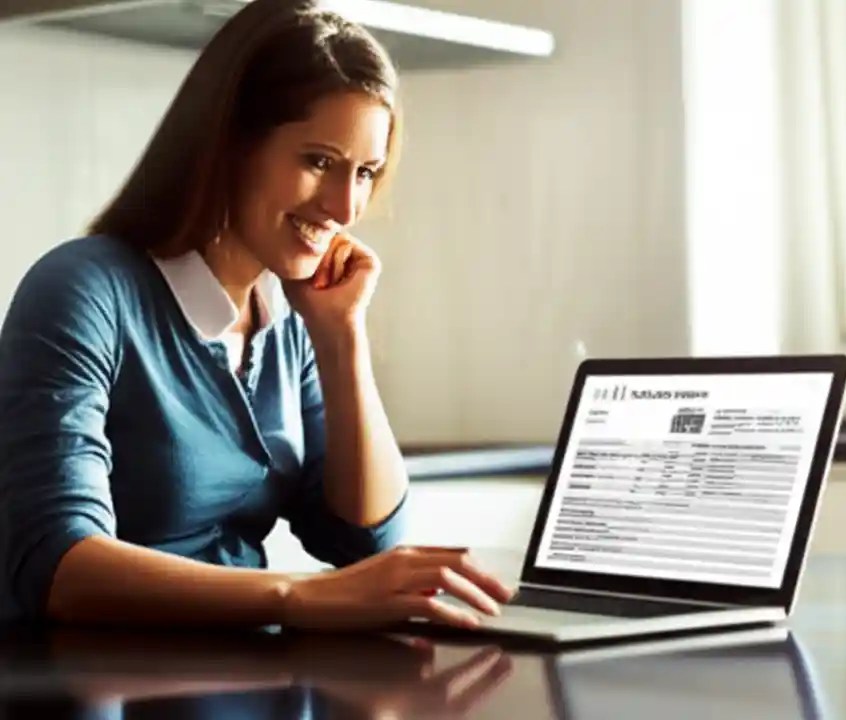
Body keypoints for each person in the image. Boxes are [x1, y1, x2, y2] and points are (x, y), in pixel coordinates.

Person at [0, 0, 511, 628]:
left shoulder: (287, 321)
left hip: (243, 668)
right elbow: (55, 565)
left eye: (365, 173)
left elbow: (367, 540)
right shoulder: (84, 290)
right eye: (319, 162)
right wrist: (294, 596)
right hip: (91, 675)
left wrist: (341, 337)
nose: (345, 208)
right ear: (231, 143)